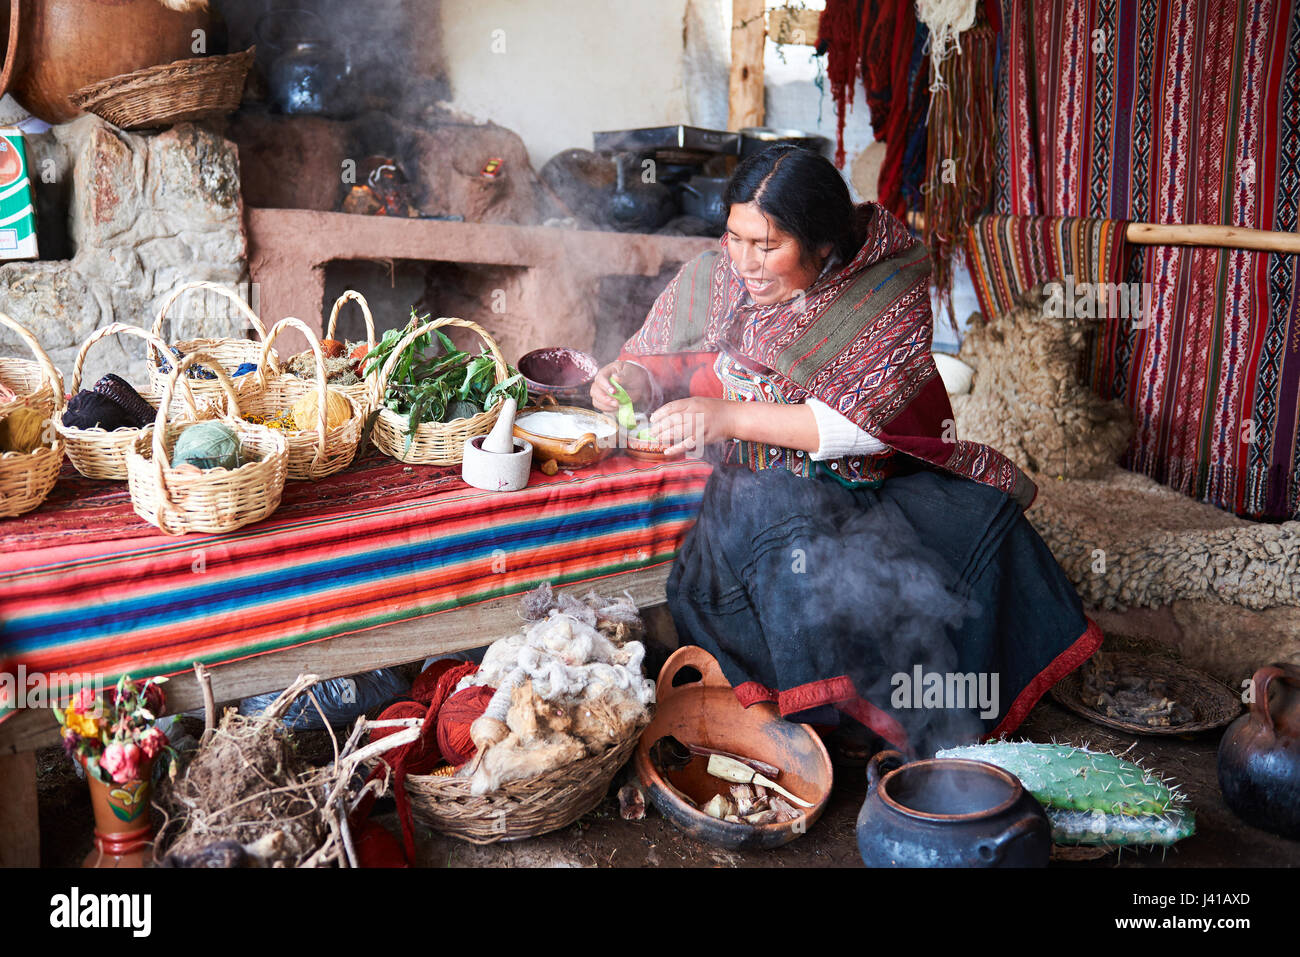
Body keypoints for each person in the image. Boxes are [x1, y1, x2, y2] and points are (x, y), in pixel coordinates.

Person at [590, 146, 1100, 760]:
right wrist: (633, 379)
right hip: (754, 484)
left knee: (981, 522)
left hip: (860, 477)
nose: (745, 262)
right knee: (777, 518)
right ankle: (818, 713)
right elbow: (663, 362)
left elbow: (869, 423)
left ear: (824, 243)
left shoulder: (886, 283)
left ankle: (874, 720)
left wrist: (729, 416)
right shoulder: (718, 275)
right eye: (734, 237)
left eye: (767, 245)